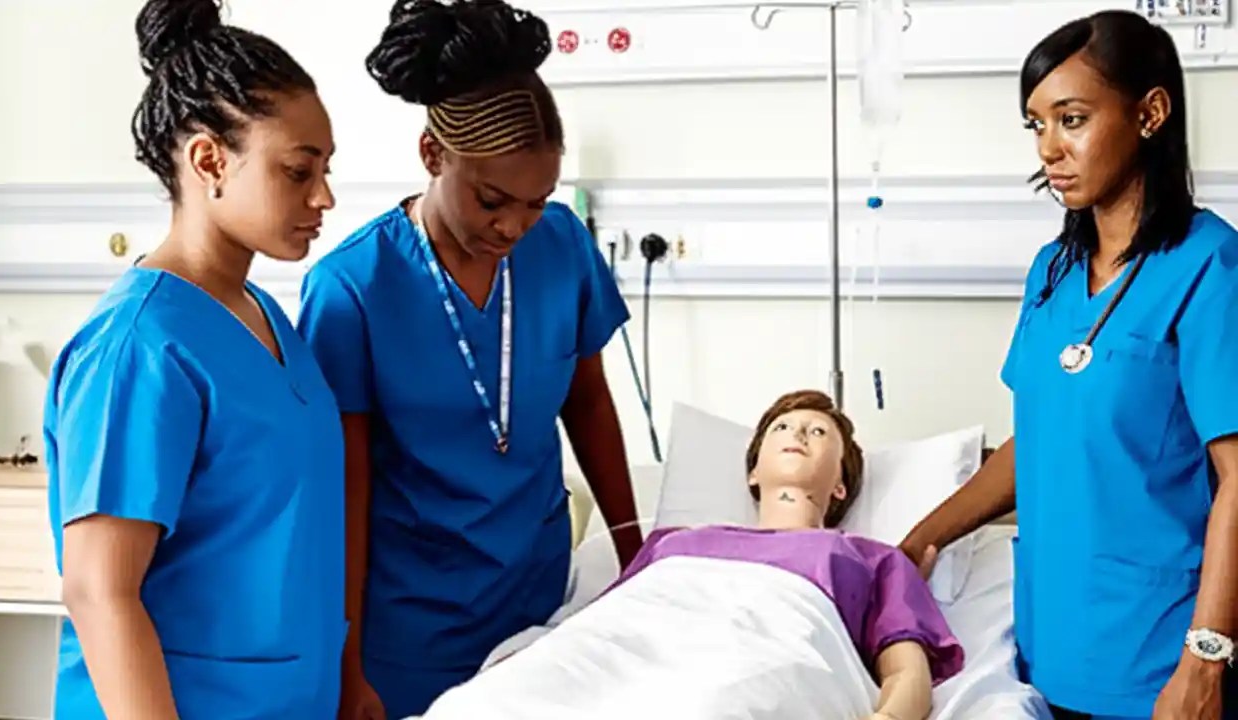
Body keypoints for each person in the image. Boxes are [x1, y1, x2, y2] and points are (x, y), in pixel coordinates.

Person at [295, 1, 642, 717]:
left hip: (541, 599)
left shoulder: (562, 247)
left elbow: (588, 402)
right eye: (491, 200)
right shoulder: (350, 290)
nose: (513, 226)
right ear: (432, 155)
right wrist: (348, 660)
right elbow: (347, 489)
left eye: (537, 202)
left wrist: (635, 551)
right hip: (411, 623)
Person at [899, 10, 1238, 720]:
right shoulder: (1051, 273)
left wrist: (1205, 659)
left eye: (1072, 118)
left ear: (1149, 112)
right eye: (1036, 125)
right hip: (1049, 653)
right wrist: (923, 538)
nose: (1050, 147)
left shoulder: (1211, 265)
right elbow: (1039, 440)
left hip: (1160, 661)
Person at [42, 1, 341, 718]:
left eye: (325, 169)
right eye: (299, 172)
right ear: (209, 159)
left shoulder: (263, 316)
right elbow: (98, 589)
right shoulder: (139, 347)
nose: (324, 196)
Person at [414, 390, 964, 720]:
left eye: (818, 431)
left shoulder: (869, 557)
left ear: (841, 486)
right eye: (782, 427)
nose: (798, 431)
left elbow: (906, 669)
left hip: (759, 655)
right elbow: (608, 630)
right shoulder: (673, 542)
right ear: (752, 470)